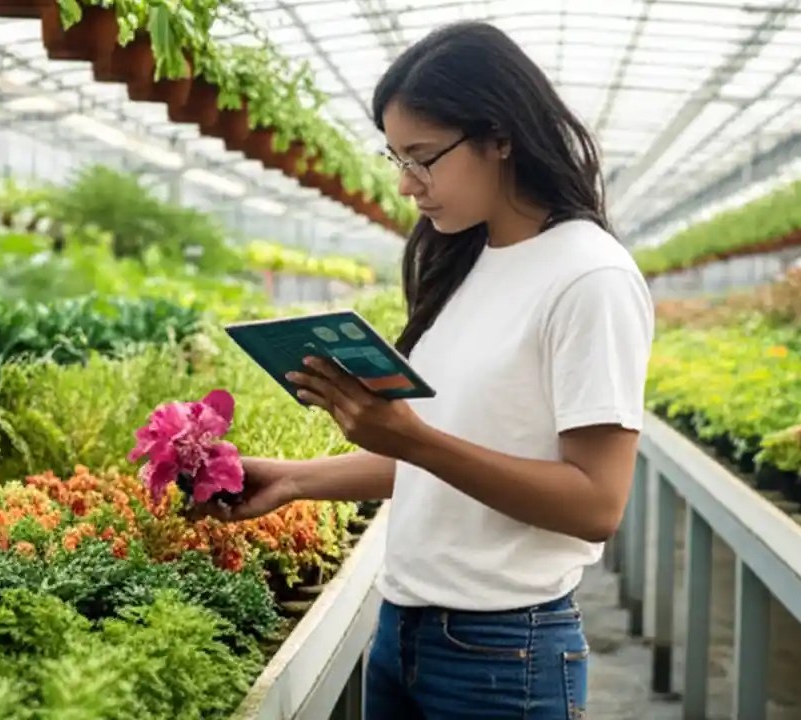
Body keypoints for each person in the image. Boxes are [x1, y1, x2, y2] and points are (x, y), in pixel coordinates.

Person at [203, 20, 654, 720]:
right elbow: (454, 459)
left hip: (505, 657)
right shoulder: (467, 261)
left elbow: (596, 504)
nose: (408, 185)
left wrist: (412, 439)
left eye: (423, 158)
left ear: (499, 137)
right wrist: (293, 479)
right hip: (405, 631)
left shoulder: (588, 277)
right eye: (396, 158)